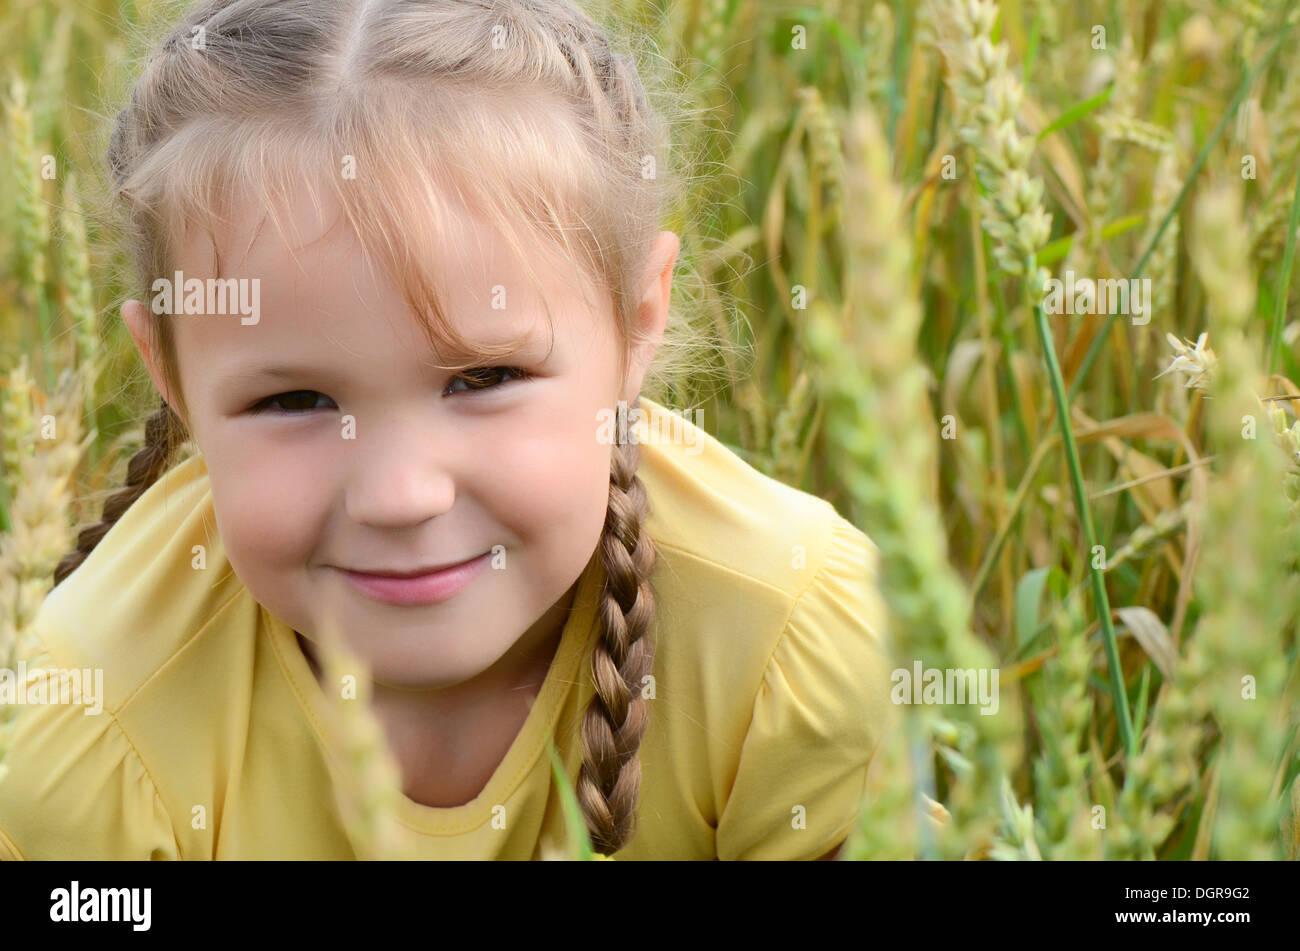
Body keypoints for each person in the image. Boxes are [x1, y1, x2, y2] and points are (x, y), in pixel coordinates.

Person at [0, 0, 894, 860]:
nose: (399, 494)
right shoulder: (92, 720)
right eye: (297, 401)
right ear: (172, 376)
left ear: (638, 323)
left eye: (483, 379)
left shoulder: (786, 643)